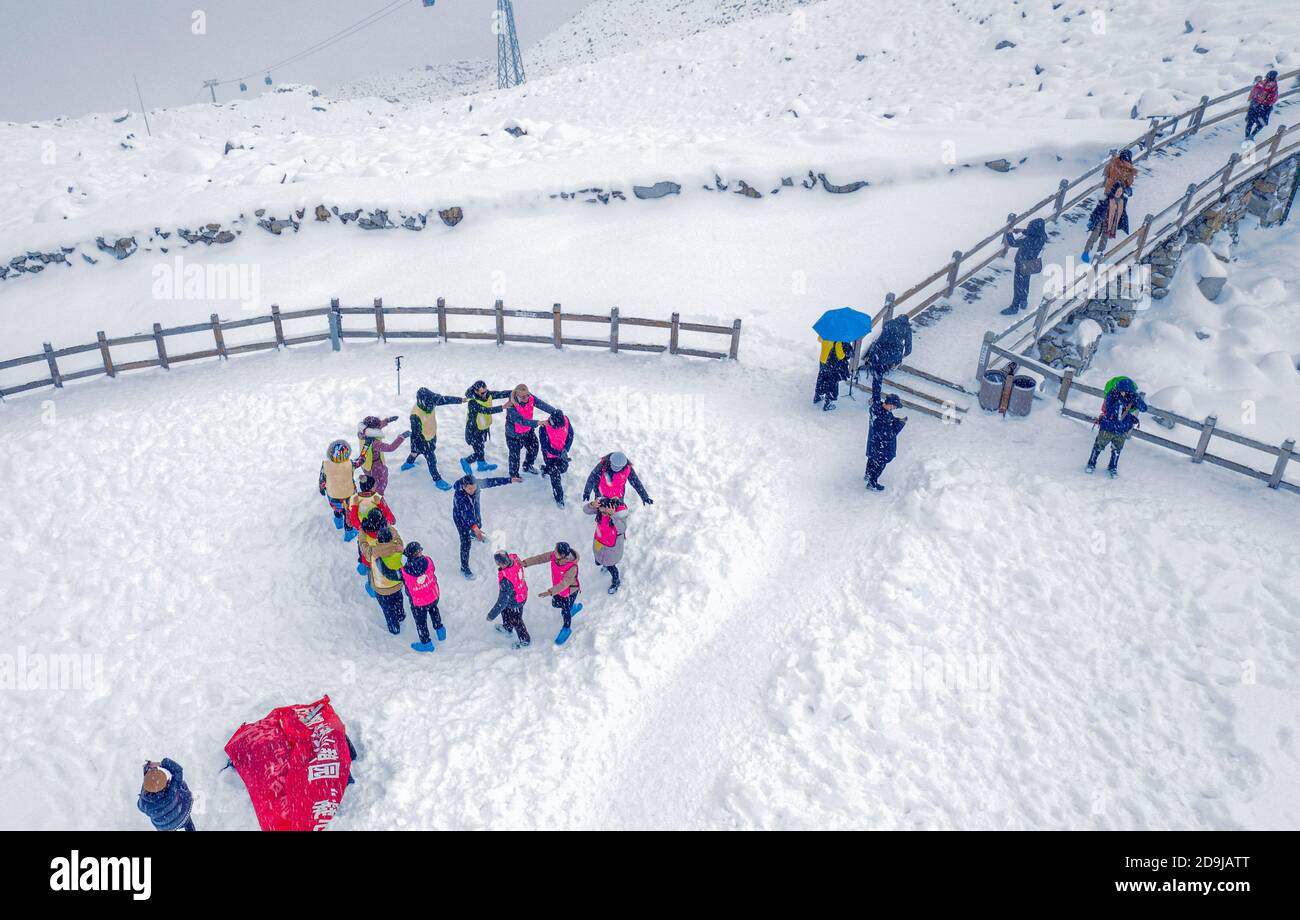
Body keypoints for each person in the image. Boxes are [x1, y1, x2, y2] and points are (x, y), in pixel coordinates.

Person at [400, 387, 465, 491]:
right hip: (422, 440)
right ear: (423, 402)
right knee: (431, 459)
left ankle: (408, 463)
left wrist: (460, 400)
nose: (432, 405)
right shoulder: (415, 415)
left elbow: (445, 399)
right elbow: (415, 435)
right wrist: (413, 449)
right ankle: (437, 479)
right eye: (430, 404)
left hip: (431, 435)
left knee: (417, 452)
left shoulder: (432, 399)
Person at [452, 473, 514, 578]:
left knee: (478, 524)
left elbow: (492, 481)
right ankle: (464, 567)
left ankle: (474, 533)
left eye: (474, 488)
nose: (472, 490)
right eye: (470, 489)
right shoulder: (459, 497)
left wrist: (510, 480)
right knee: (466, 543)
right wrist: (474, 527)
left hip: (475, 514)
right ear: (463, 487)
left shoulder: (477, 484)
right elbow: (466, 514)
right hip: (461, 520)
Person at [521, 542, 584, 645]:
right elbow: (540, 558)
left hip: (569, 591)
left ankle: (566, 628)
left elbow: (565, 583)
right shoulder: (555, 556)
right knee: (555, 604)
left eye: (556, 551)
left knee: (565, 611)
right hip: (558, 588)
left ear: (563, 555)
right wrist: (525, 563)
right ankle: (572, 607)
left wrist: (550, 592)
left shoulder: (572, 567)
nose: (554, 552)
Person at [1087, 376, 1147, 478]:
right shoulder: (1112, 395)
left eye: (1126, 391)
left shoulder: (1132, 396)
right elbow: (1109, 410)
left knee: (1117, 449)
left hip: (1122, 429)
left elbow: (1144, 408)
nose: (1124, 393)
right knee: (1098, 446)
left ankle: (1112, 467)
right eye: (1122, 390)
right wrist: (1121, 402)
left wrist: (1136, 399)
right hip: (1108, 427)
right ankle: (1091, 463)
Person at [1082, 149, 1136, 263]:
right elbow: (1127, 184)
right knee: (1099, 234)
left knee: (1101, 235)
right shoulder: (1124, 169)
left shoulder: (1116, 165)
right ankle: (1091, 252)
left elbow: (1106, 176)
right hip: (1111, 201)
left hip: (1112, 198)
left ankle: (1094, 253)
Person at [359, 521, 407, 634]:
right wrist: (389, 526)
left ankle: (394, 627)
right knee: (398, 600)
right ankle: (400, 615)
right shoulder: (398, 547)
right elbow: (397, 536)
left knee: (388, 609)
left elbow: (362, 544)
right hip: (397, 585)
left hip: (381, 589)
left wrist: (362, 530)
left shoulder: (372, 552)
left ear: (379, 540)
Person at [504, 384, 559, 478]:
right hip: (513, 435)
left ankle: (527, 465)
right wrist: (538, 422)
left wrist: (556, 412)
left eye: (527, 395)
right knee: (514, 456)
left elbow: (542, 405)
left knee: (534, 448)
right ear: (517, 396)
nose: (526, 398)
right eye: (523, 396)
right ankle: (513, 475)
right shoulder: (511, 406)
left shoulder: (530, 397)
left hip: (528, 431)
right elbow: (522, 421)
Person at [400, 542, 443, 652]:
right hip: (433, 595)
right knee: (434, 611)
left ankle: (426, 643)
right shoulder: (428, 561)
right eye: (420, 550)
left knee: (421, 622)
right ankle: (440, 630)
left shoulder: (404, 571)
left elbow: (400, 579)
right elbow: (433, 569)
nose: (422, 552)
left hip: (418, 603)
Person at [1000, 218, 1048, 315]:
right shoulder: (1042, 236)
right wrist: (1022, 231)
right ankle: (1023, 300)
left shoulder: (1029, 240)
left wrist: (1009, 233)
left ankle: (1014, 306)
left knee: (1018, 285)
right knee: (1025, 282)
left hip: (1021, 264)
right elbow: (1033, 233)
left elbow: (1013, 243)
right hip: (1030, 264)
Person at [461, 380, 511, 473]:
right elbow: (486, 410)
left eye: (486, 391)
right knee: (478, 450)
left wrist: (514, 392)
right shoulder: (472, 402)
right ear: (476, 391)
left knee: (481, 447)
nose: (485, 394)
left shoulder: (487, 394)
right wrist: (502, 407)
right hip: (474, 430)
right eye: (482, 392)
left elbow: (500, 394)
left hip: (483, 427)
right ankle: (466, 461)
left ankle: (481, 464)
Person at [487, 551, 531, 649]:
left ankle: (525, 640)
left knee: (516, 620)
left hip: (516, 600)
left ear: (499, 564)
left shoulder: (506, 581)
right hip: (520, 592)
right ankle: (507, 627)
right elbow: (514, 554)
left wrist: (491, 615)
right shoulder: (513, 559)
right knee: (505, 610)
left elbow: (502, 602)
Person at [584, 496, 629, 595]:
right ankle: (604, 563)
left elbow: (621, 529)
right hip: (600, 542)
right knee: (599, 560)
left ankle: (616, 581)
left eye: (605, 512)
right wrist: (592, 505)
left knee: (611, 566)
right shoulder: (601, 510)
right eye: (601, 511)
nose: (603, 514)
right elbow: (586, 510)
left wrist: (613, 516)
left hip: (612, 549)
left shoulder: (618, 516)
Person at [865, 391, 908, 492]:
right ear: (891, 405)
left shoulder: (878, 410)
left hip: (874, 442)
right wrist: (901, 424)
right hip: (882, 446)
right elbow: (890, 433)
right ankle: (872, 483)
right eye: (894, 407)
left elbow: (890, 420)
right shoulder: (882, 417)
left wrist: (898, 420)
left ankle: (868, 474)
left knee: (872, 459)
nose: (894, 409)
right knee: (880, 463)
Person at [355, 415, 408, 495]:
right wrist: (402, 437)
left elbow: (378, 425)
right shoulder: (374, 443)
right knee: (380, 483)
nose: (379, 427)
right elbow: (391, 448)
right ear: (373, 429)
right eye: (377, 427)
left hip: (366, 464)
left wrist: (388, 420)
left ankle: (369, 487)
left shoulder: (363, 433)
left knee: (371, 481)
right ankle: (378, 497)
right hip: (375, 467)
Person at [138, 758, 195, 831]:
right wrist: (159, 764)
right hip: (181, 817)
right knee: (187, 822)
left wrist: (147, 772)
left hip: (164, 827)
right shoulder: (171, 792)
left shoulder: (143, 804)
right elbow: (177, 770)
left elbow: (149, 785)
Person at [860, 314, 913, 392]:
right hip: (893, 354)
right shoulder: (907, 329)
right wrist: (902, 356)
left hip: (880, 351)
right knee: (886, 365)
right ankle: (887, 368)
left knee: (878, 375)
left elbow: (882, 334)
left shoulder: (889, 323)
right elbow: (908, 348)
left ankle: (875, 396)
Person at [318, 439, 358, 541]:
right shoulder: (351, 464)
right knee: (348, 514)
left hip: (333, 495)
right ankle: (349, 532)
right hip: (348, 496)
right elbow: (361, 460)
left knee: (337, 509)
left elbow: (322, 479)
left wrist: (322, 489)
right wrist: (366, 447)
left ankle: (338, 521)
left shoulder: (326, 464)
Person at [582, 452, 653, 505]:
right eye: (614, 466)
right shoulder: (602, 465)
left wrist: (644, 497)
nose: (615, 469)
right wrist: (587, 492)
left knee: (618, 516)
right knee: (602, 515)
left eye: (618, 468)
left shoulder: (628, 469)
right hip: (601, 495)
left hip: (618, 497)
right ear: (610, 461)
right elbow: (592, 477)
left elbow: (636, 482)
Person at [538, 409, 575, 507]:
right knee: (555, 475)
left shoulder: (566, 420)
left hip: (561, 453)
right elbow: (546, 446)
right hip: (549, 456)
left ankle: (545, 470)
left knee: (563, 468)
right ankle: (559, 498)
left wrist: (565, 449)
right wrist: (559, 453)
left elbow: (570, 435)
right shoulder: (543, 428)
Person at [813, 338, 852, 411]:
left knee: (822, 378)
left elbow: (819, 339)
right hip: (832, 363)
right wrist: (845, 353)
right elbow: (840, 355)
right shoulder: (838, 338)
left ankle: (818, 395)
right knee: (832, 382)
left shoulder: (826, 332)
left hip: (823, 360)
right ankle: (829, 402)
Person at [1245, 70, 1280, 141]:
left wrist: (1253, 101)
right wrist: (1266, 104)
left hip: (1254, 105)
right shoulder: (1273, 86)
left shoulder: (1260, 83)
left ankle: (1247, 136)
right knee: (1261, 123)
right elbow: (1273, 98)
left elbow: (1253, 92)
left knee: (1250, 122)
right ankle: (1252, 136)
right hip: (1264, 108)